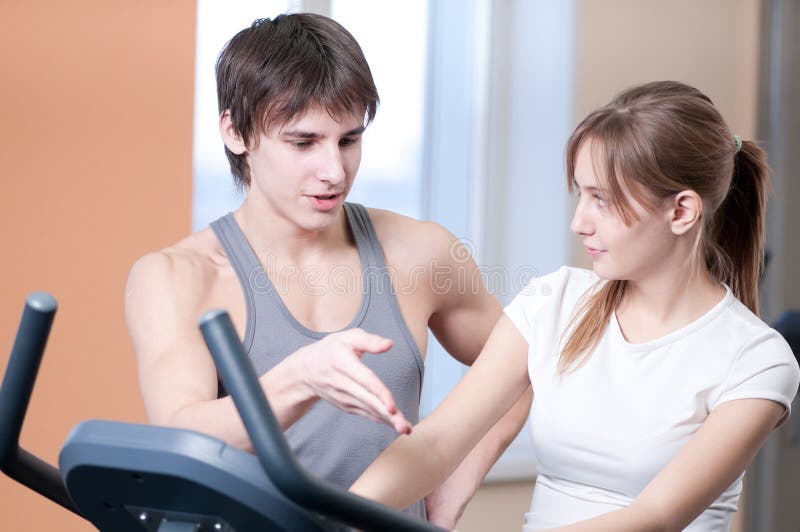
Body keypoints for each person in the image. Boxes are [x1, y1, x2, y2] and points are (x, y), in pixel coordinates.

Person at [124, 12, 531, 528]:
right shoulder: (175, 277)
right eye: (303, 142)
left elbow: (525, 364)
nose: (334, 172)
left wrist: (455, 480)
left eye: (348, 140)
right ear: (234, 132)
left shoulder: (420, 252)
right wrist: (300, 379)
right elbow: (179, 440)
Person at [350, 81, 800, 531]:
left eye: (601, 199)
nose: (578, 222)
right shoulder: (554, 301)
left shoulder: (757, 359)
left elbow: (653, 518)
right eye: (580, 195)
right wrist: (331, 518)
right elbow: (434, 445)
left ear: (681, 212)